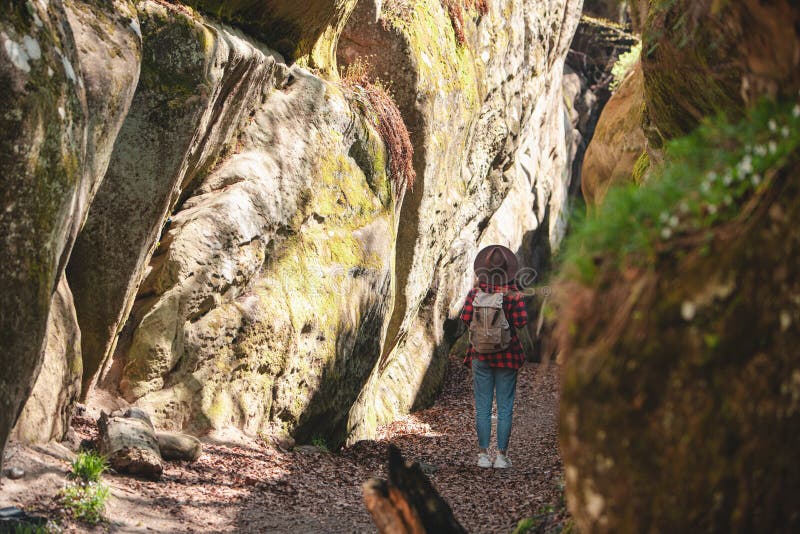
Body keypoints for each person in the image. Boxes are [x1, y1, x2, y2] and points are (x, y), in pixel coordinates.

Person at [459, 245, 528, 469]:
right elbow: (521, 322)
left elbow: (465, 319)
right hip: (507, 356)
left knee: (482, 406)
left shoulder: (475, 293)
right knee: (505, 407)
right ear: (508, 270)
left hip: (481, 355)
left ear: (484, 269)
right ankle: (501, 456)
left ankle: (482, 455)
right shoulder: (513, 294)